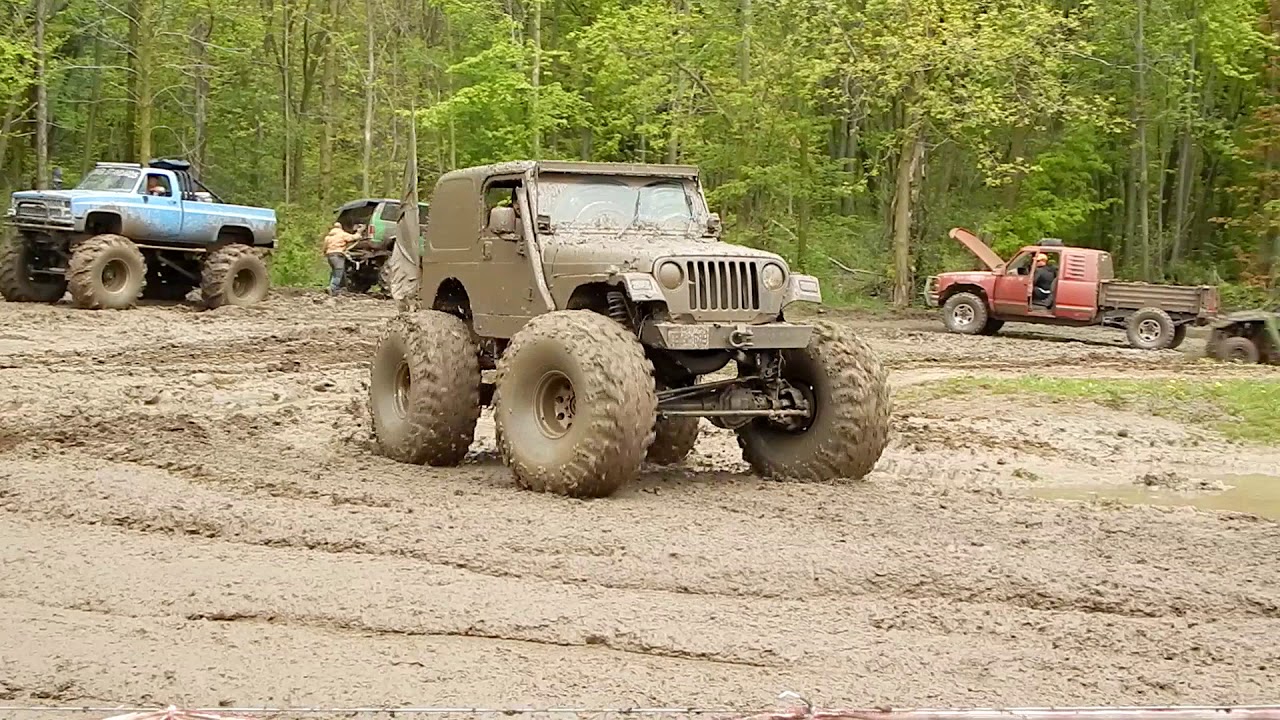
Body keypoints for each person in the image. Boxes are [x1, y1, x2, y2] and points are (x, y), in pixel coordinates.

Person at [323, 222, 358, 296]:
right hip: (338, 255)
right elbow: (353, 238)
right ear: (340, 227)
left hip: (330, 255)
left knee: (334, 272)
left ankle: (337, 288)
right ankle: (332, 288)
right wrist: (359, 233)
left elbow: (324, 247)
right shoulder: (342, 234)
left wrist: (325, 253)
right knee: (338, 273)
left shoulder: (328, 237)